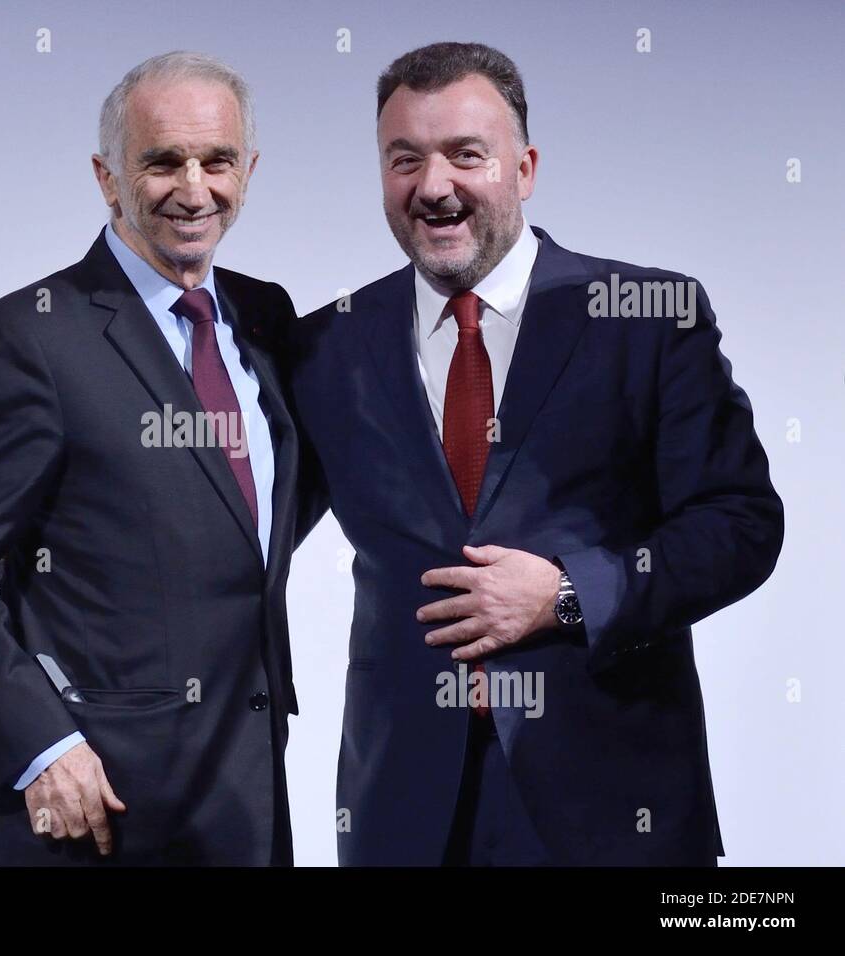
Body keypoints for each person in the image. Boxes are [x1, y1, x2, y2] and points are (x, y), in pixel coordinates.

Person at [288, 41, 784, 865]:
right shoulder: (324, 347)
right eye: (404, 159)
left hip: (612, 808)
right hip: (403, 817)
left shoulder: (647, 317)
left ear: (524, 167)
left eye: (465, 155)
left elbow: (741, 525)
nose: (433, 185)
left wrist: (566, 593)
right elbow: (245, 536)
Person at [0, 51, 304, 866]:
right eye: (162, 162)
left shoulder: (266, 318)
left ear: (248, 170)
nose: (194, 189)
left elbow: (244, 521)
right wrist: (39, 748)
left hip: (245, 800)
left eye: (217, 161)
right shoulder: (27, 338)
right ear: (107, 176)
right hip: (96, 811)